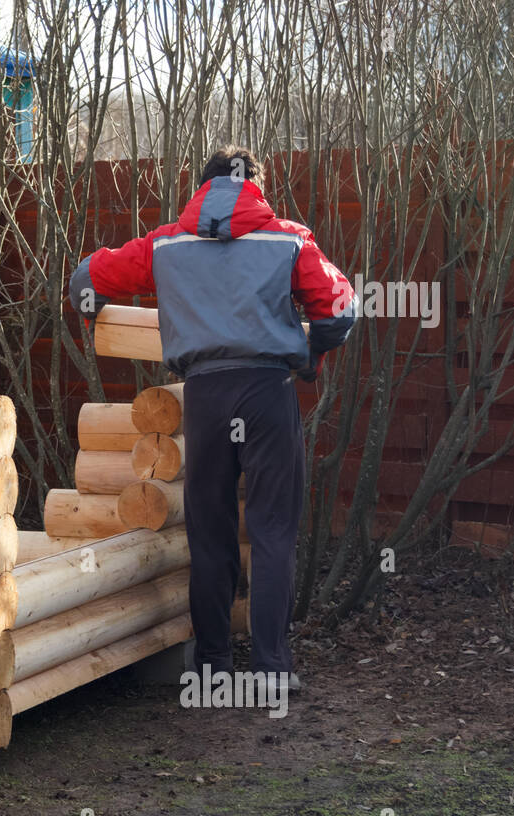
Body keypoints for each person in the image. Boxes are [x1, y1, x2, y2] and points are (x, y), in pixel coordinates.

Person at [68, 146, 359, 690]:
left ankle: (212, 666)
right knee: (272, 530)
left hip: (204, 397)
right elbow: (339, 308)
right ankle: (272, 671)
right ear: (257, 187)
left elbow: (88, 281)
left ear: (202, 189)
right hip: (268, 394)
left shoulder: (166, 244)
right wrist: (312, 358)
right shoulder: (287, 238)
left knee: (210, 531)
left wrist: (91, 314)